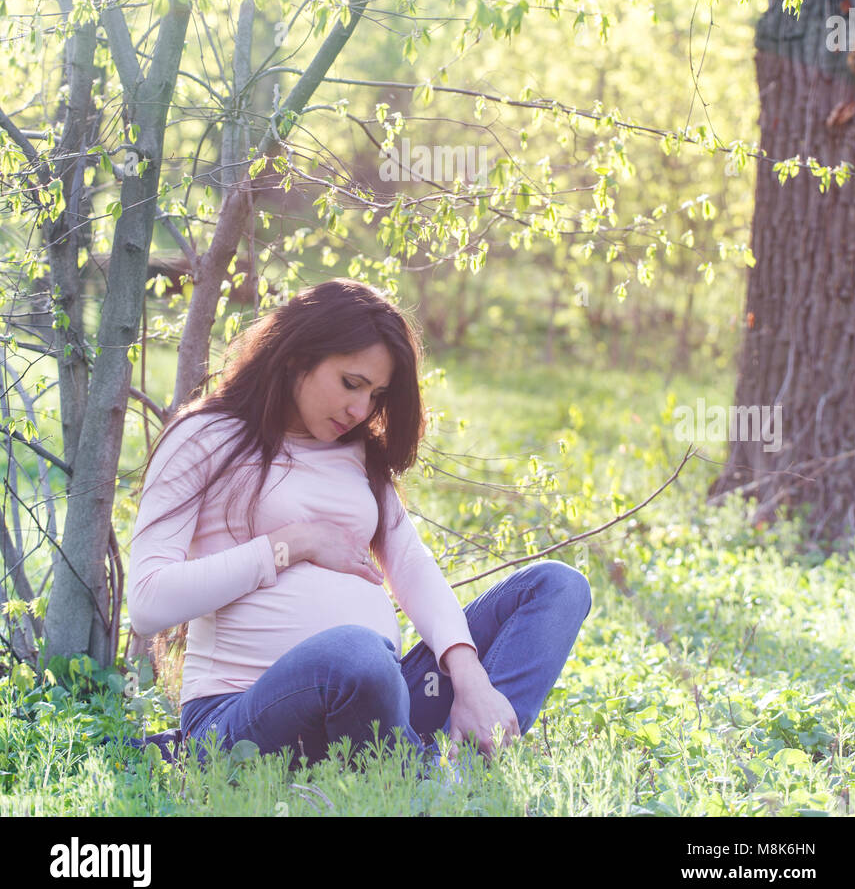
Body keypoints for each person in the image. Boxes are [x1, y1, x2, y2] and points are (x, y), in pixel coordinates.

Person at [127, 278, 592, 778]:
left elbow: (411, 567)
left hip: (381, 699)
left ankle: (467, 765)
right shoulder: (205, 437)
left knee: (557, 587)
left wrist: (469, 675)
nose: (361, 410)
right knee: (354, 653)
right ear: (296, 357)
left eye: (376, 394)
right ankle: (426, 789)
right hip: (243, 721)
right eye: (351, 383)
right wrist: (292, 544)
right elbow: (149, 602)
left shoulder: (357, 455)